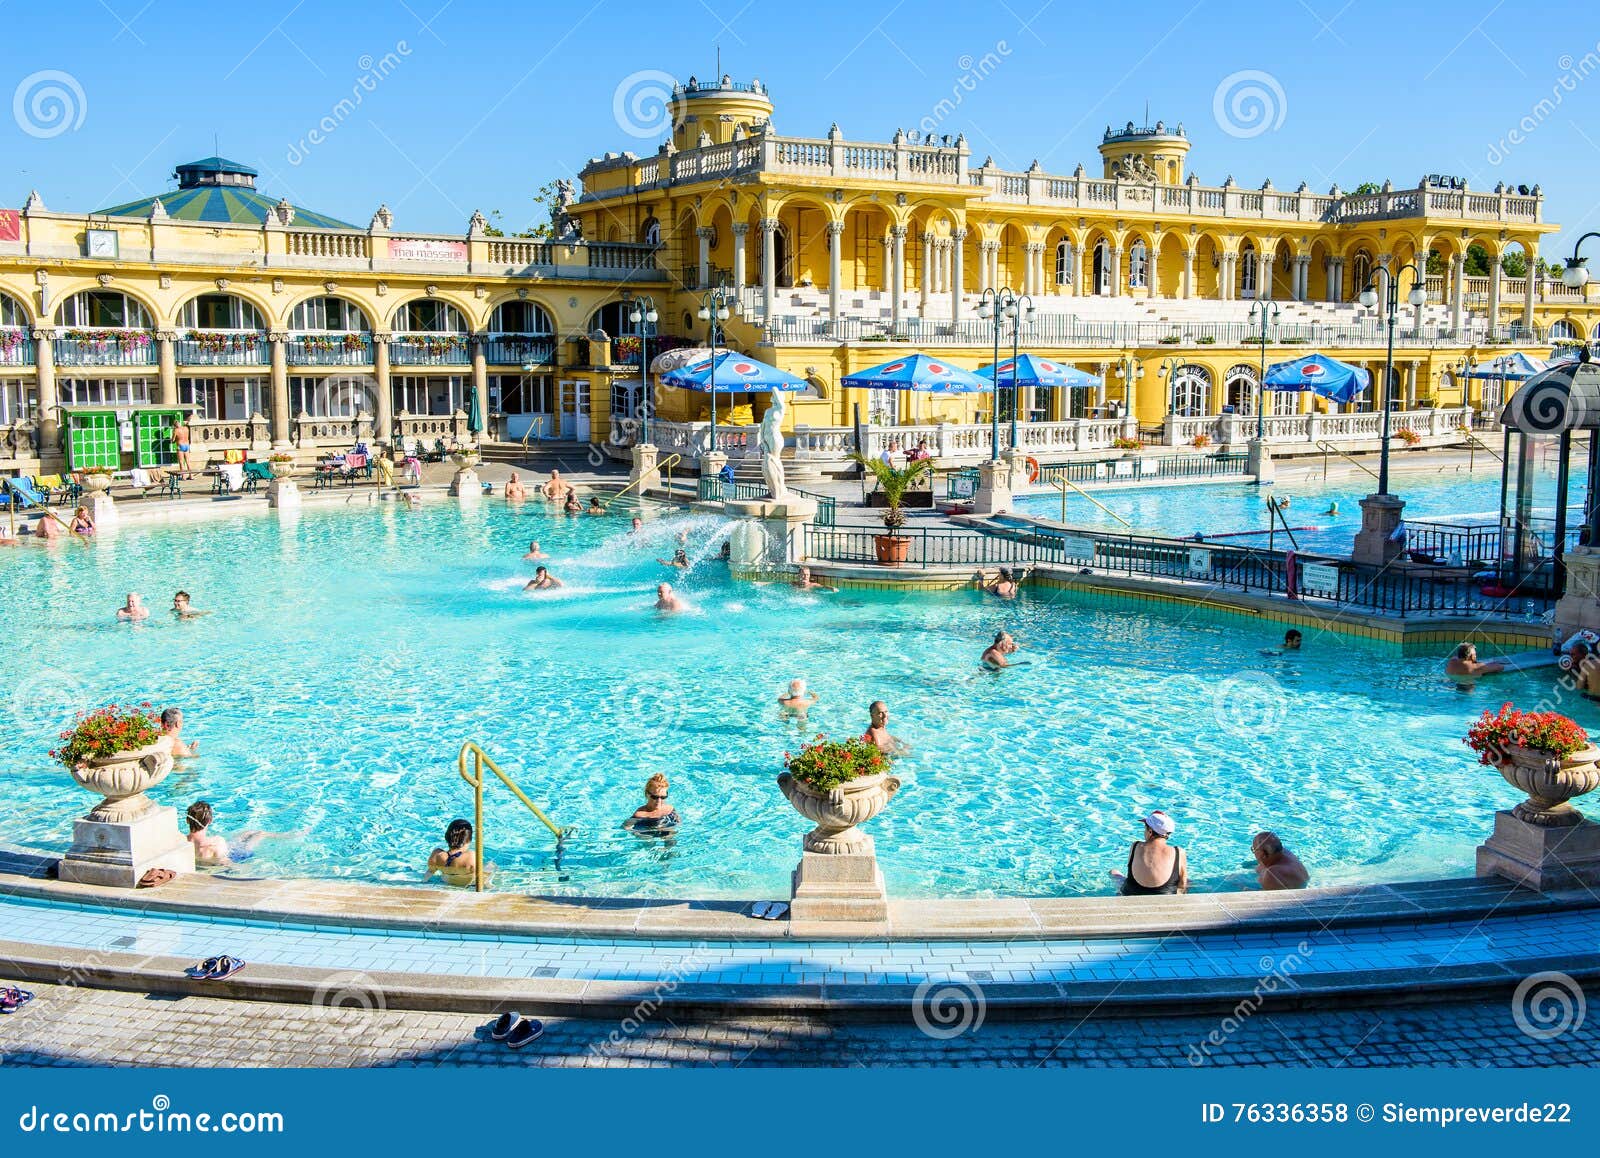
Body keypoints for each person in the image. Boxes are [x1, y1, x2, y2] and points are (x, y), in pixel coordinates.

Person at [185, 800, 288, 867]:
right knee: (260, 833)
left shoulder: (182, 841)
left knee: (247, 833)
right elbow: (227, 863)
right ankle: (289, 836)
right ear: (210, 821)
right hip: (237, 857)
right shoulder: (216, 842)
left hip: (219, 854)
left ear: (187, 820)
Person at [1109, 810, 1189, 896]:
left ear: (1150, 831)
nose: (1144, 832)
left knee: (1113, 872)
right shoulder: (1179, 852)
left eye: (1145, 829)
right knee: (1187, 880)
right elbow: (1182, 885)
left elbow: (1130, 876)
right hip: (1165, 897)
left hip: (1131, 895)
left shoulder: (1135, 846)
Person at [426, 818, 483, 888]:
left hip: (446, 882)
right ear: (469, 839)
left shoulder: (437, 855)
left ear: (446, 837)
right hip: (468, 886)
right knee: (491, 865)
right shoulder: (471, 857)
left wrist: (423, 883)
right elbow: (479, 878)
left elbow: (430, 872)